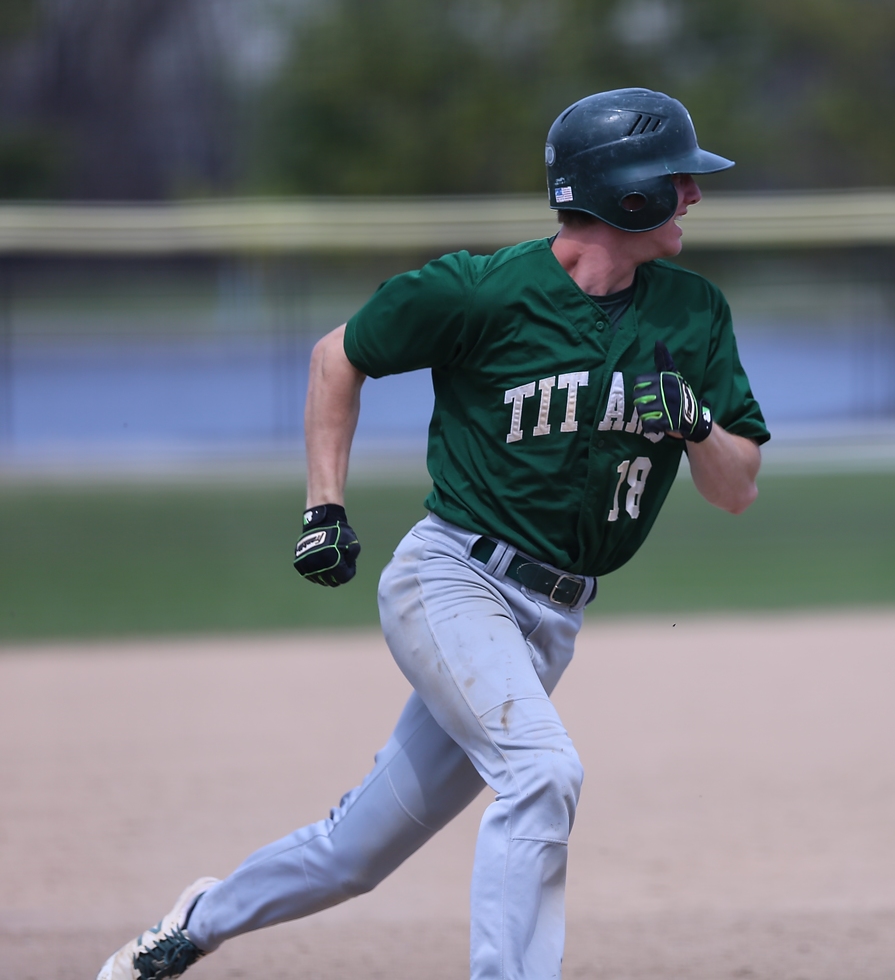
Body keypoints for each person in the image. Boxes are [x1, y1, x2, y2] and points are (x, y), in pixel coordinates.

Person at [97, 87, 769, 980]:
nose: (693, 196)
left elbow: (736, 489)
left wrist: (694, 425)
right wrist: (323, 508)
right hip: (454, 582)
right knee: (542, 774)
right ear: (625, 195)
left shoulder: (692, 314)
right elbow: (338, 356)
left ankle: (196, 920)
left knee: (356, 853)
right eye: (676, 180)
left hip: (549, 620)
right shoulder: (482, 293)